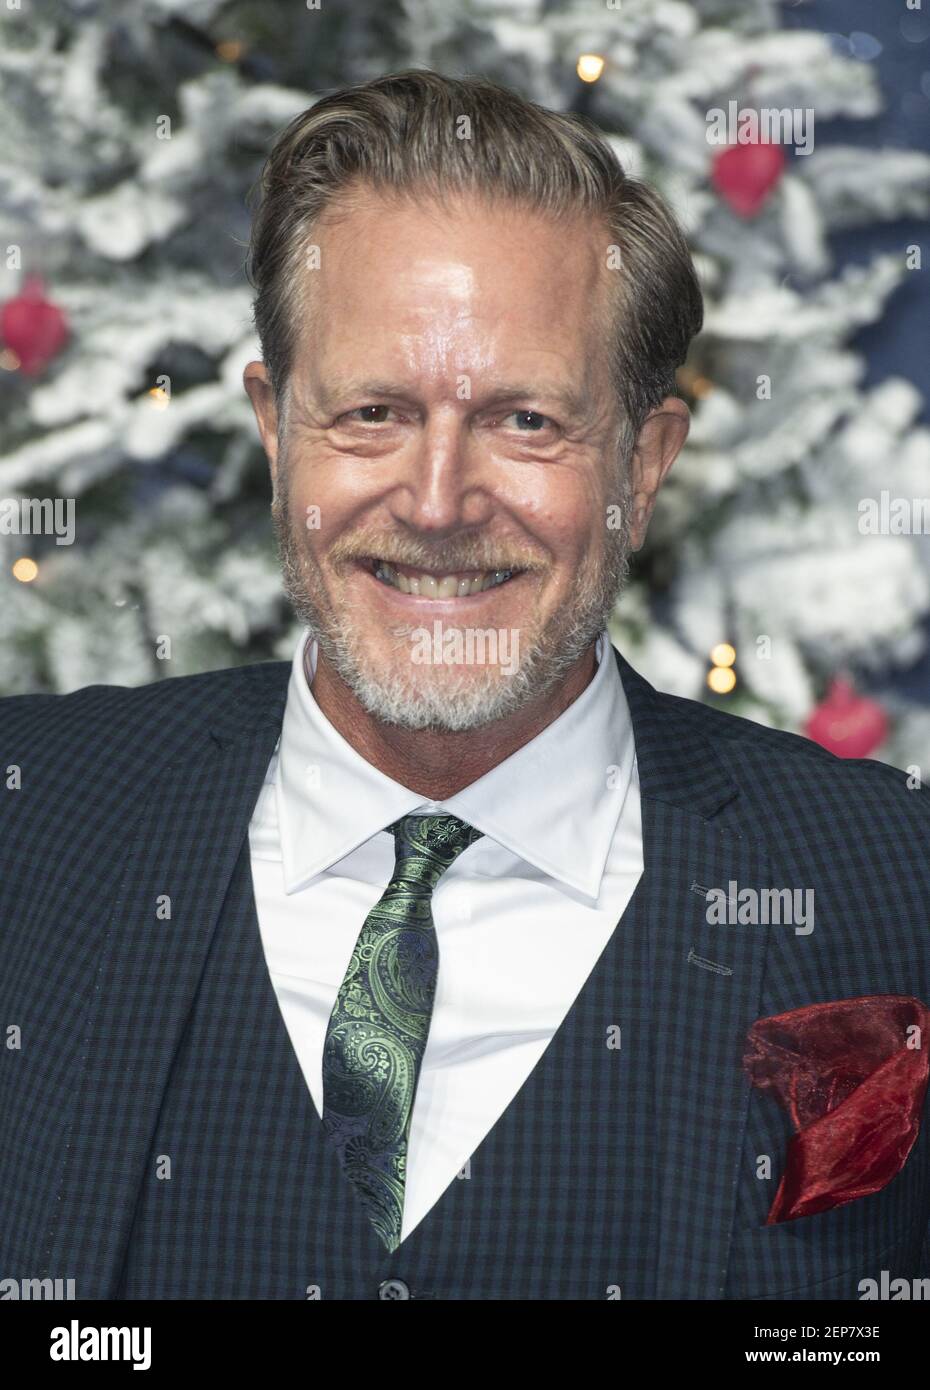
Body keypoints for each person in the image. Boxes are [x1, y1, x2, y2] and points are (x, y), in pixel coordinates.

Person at [2, 69, 928, 1302]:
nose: (438, 503)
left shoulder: (891, 878)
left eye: (527, 421)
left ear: (642, 466)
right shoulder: (29, 821)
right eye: (371, 412)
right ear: (277, 435)